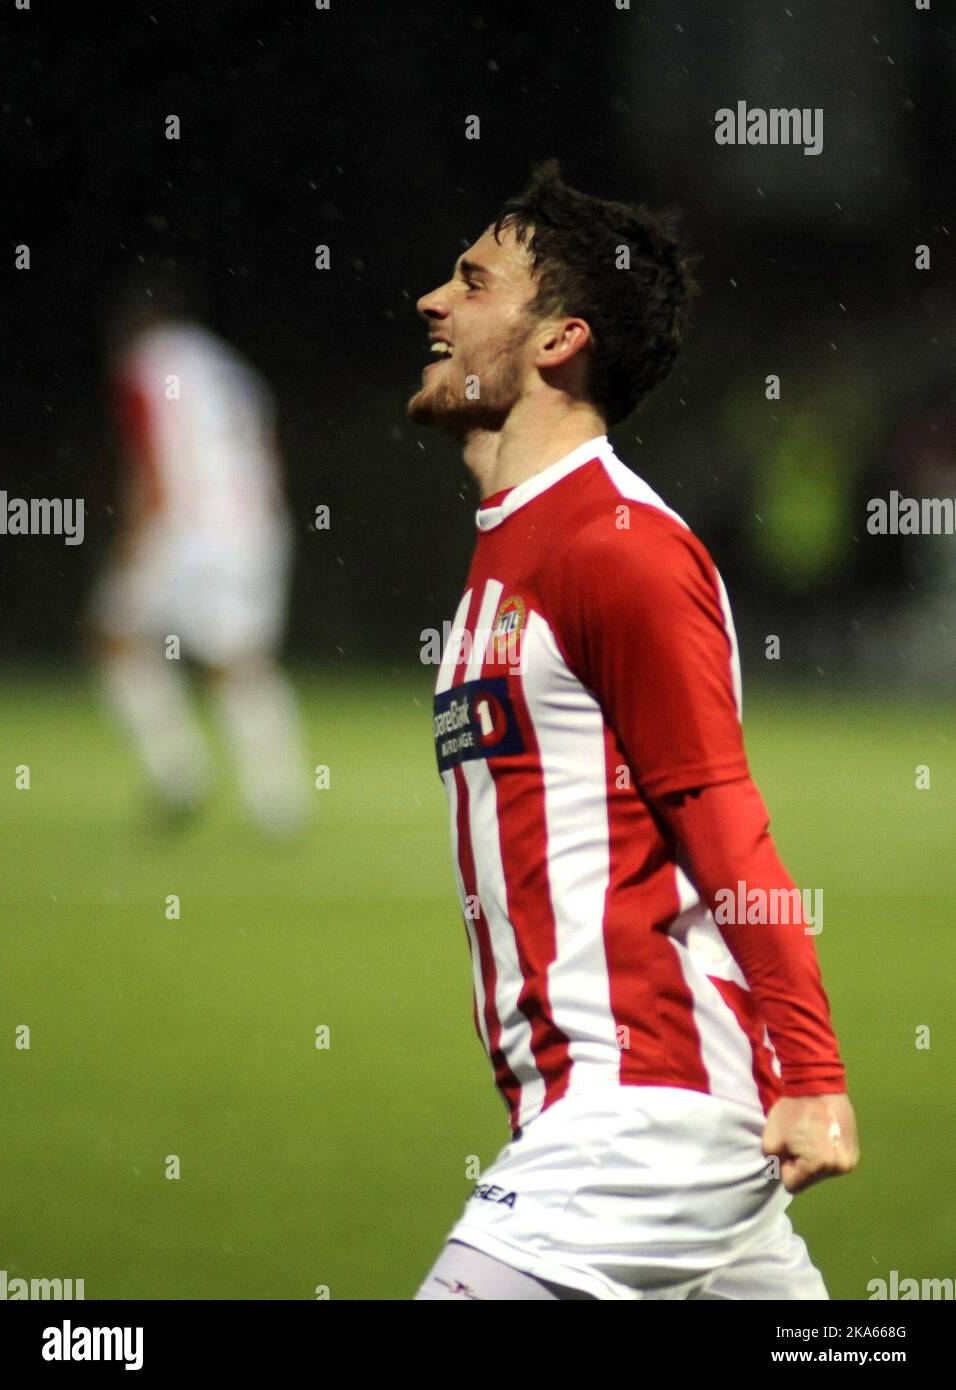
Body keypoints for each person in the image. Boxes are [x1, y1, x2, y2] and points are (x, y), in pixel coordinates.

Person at [408, 160, 858, 1301]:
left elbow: (719, 812)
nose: (433, 302)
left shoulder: (617, 547)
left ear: (559, 340)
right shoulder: (513, 542)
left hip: (639, 1114)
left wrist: (812, 1067)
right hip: (644, 1110)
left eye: (472, 282)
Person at [92, 290, 309, 836]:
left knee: (115, 639)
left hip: (183, 526)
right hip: (254, 523)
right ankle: (278, 801)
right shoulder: (229, 367)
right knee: (238, 660)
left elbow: (152, 454)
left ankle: (177, 773)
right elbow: (266, 449)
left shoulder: (148, 362)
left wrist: (138, 533)